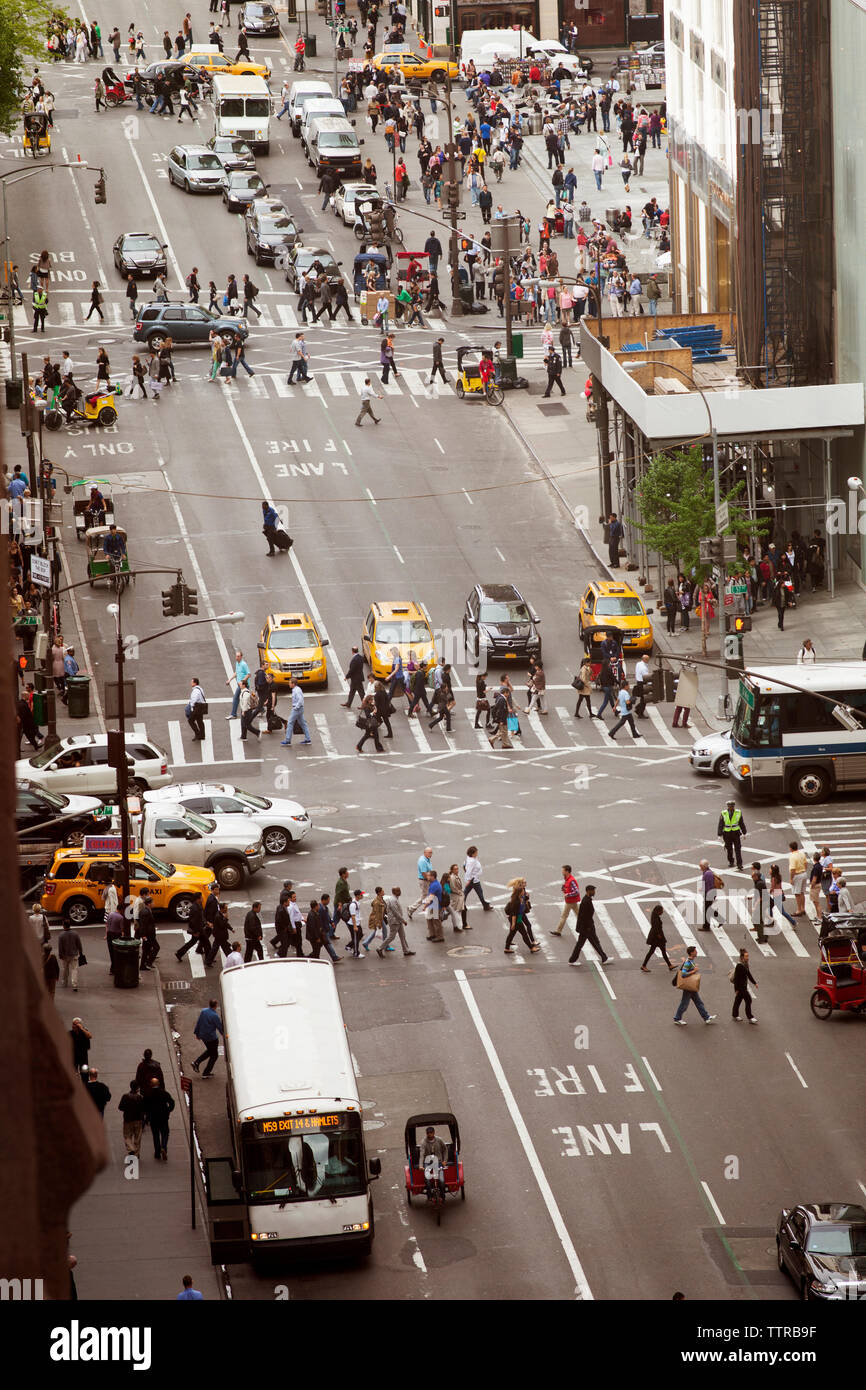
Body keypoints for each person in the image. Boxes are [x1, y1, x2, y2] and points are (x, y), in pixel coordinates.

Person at [673, 946, 716, 1025]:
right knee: (684, 1003)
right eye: (695, 951)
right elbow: (683, 974)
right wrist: (694, 971)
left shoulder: (691, 961)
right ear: (692, 952)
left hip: (691, 986)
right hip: (688, 986)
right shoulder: (688, 962)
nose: (696, 952)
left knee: (698, 1002)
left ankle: (706, 1017)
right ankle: (677, 1018)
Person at [567, 886, 608, 965]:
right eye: (593, 891)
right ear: (588, 891)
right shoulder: (586, 901)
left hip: (588, 927)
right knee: (583, 944)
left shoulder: (587, 900)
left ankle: (604, 957)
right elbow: (584, 916)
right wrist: (587, 927)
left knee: (594, 942)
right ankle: (572, 960)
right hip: (586, 928)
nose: (594, 892)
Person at [143, 1077, 175, 1160]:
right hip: (163, 1117)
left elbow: (144, 1107)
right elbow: (172, 1102)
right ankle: (163, 1147)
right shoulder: (164, 1093)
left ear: (151, 1084)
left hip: (153, 1118)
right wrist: (168, 1110)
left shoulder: (148, 1094)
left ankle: (157, 1152)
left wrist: (147, 1116)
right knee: (165, 1133)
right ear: (159, 1084)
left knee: (155, 1135)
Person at [192, 999, 224, 1077]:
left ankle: (196, 1062)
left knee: (210, 1051)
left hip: (204, 1037)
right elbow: (219, 1027)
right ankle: (206, 1072)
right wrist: (224, 1034)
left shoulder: (204, 1011)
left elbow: (199, 1022)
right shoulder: (215, 1016)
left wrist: (197, 1033)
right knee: (214, 1055)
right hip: (212, 1038)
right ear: (215, 1005)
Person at [641, 903, 675, 971]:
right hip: (656, 938)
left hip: (656, 937)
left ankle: (669, 965)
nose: (662, 912)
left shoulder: (654, 915)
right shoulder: (655, 917)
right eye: (661, 911)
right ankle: (644, 965)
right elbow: (655, 928)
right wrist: (659, 935)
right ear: (658, 911)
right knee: (657, 951)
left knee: (659, 951)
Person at [280, 676, 312, 746]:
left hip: (297, 709)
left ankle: (288, 740)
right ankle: (308, 739)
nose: (289, 684)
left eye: (290, 683)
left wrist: (296, 707)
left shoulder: (296, 690)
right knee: (303, 723)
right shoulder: (297, 689)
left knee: (290, 723)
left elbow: (300, 700)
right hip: (300, 709)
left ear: (293, 684)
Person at [551, 865, 581, 936]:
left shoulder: (571, 880)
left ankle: (558, 931)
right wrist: (565, 889)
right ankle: (586, 927)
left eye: (563, 870)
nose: (562, 871)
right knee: (579, 915)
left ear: (567, 871)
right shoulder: (567, 879)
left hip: (570, 901)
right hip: (572, 901)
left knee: (564, 916)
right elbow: (570, 889)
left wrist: (568, 894)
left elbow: (576, 891)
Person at [118, 1081, 145, 1156]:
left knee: (127, 1136)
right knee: (137, 1137)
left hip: (128, 1119)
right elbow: (143, 1109)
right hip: (138, 1119)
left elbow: (120, 1107)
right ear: (138, 1088)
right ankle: (136, 1153)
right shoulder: (140, 1098)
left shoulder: (125, 1096)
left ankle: (131, 1148)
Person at [731, 947, 758, 1023]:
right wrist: (736, 989)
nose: (748, 957)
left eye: (748, 956)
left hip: (743, 986)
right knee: (748, 1000)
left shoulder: (746, 964)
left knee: (738, 1000)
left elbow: (748, 974)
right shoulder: (739, 966)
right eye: (746, 956)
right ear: (742, 957)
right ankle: (750, 1017)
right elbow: (736, 978)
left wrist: (754, 982)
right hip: (741, 987)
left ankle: (735, 1014)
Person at [420, 1125, 446, 1200]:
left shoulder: (439, 1140)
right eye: (428, 1133)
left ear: (434, 1133)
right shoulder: (424, 1142)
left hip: (438, 1161)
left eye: (431, 1133)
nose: (429, 1134)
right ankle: (429, 1197)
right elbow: (422, 1154)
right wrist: (421, 1165)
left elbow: (445, 1150)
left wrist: (445, 1160)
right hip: (427, 1162)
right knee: (427, 1180)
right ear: (426, 1134)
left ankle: (443, 1196)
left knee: (441, 1180)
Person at [718, 800, 746, 871]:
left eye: (732, 806)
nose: (731, 807)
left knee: (738, 849)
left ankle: (739, 864)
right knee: (729, 849)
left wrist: (744, 832)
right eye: (729, 806)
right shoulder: (723, 813)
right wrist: (719, 834)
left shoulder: (738, 812)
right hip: (727, 834)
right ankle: (731, 861)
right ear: (727, 806)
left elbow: (741, 823)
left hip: (735, 833)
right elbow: (721, 824)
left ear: (734, 806)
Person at [463, 846, 493, 913]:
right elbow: (469, 871)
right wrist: (469, 880)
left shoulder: (469, 858)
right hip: (474, 880)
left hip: (472, 879)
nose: (477, 853)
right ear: (473, 853)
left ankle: (462, 905)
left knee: (466, 893)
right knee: (479, 893)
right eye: (476, 852)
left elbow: (464, 866)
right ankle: (485, 905)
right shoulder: (472, 861)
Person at [57, 923, 83, 991]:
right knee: (74, 969)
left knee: (65, 969)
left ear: (63, 926)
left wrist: (60, 955)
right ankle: (74, 985)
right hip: (74, 955)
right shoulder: (75, 934)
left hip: (65, 955)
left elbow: (60, 947)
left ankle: (65, 982)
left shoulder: (61, 935)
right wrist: (80, 952)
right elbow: (79, 944)